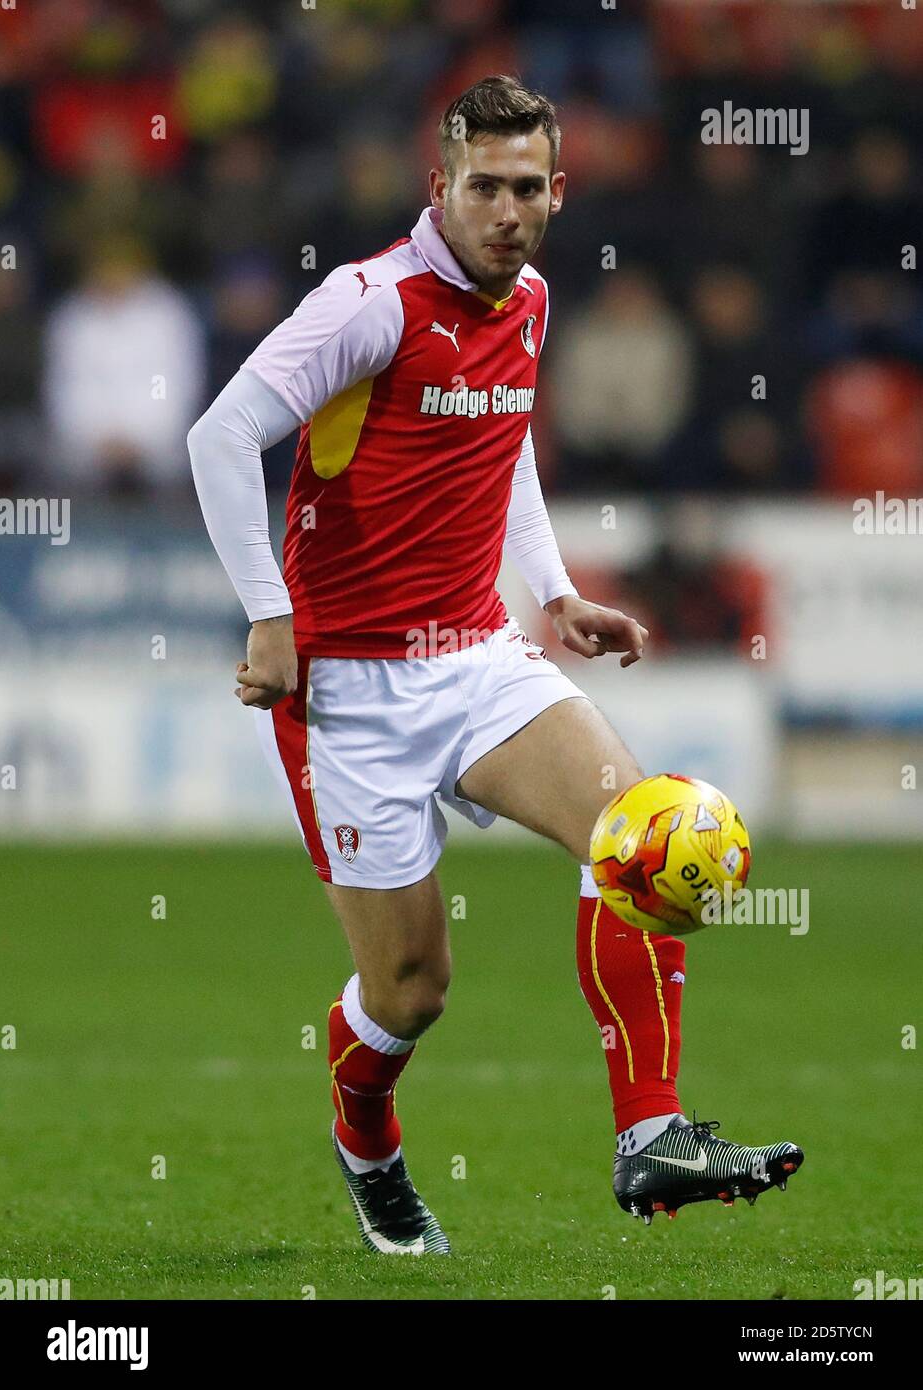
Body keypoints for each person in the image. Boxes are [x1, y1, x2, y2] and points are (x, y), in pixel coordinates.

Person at [189, 75, 802, 1255]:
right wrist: (268, 614)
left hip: (475, 654)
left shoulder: (526, 300)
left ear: (558, 191)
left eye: (528, 188)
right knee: (410, 993)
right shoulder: (368, 304)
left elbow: (502, 437)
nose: (507, 210)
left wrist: (555, 589)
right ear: (441, 187)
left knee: (642, 830)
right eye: (485, 187)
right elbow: (219, 434)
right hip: (349, 694)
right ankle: (363, 1133)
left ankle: (650, 1134)